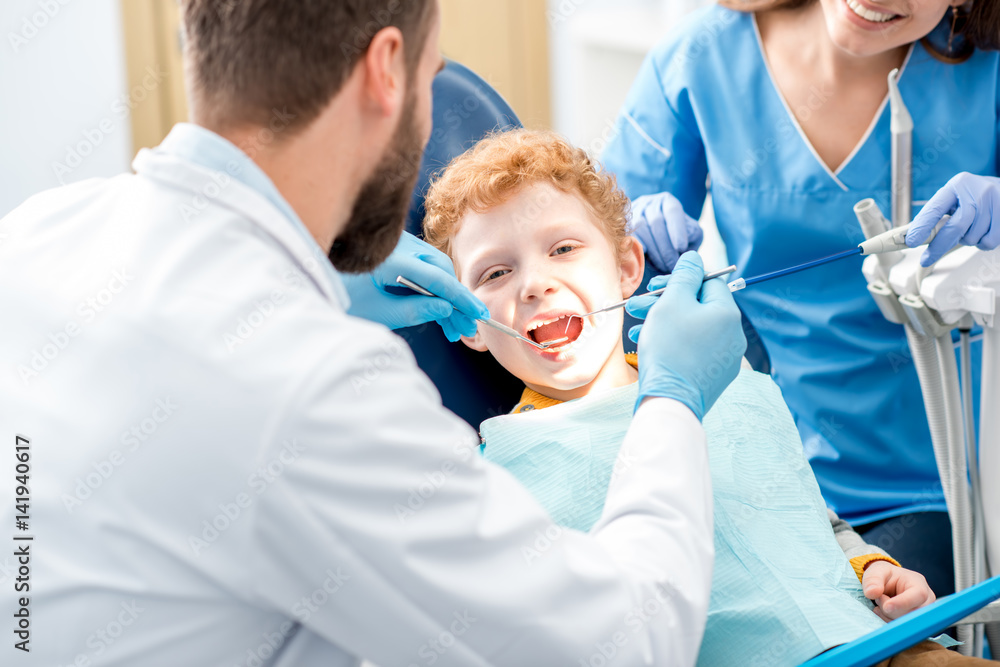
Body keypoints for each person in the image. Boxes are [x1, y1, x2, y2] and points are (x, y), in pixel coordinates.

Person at [0, 1, 750, 665]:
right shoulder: (313, 385)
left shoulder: (34, 232)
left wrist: (316, 279)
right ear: (388, 69)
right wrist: (674, 401)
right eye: (432, 76)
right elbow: (626, 646)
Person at [421, 128, 991, 666]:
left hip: (885, 649)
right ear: (467, 321)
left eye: (563, 248)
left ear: (627, 268)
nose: (534, 283)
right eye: (495, 273)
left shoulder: (725, 378)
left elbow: (806, 519)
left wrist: (874, 569)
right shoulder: (501, 477)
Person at [600, 0, 1000, 598]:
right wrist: (631, 240)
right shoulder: (702, 57)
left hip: (944, 485)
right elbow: (596, 261)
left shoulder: (986, 70)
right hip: (759, 475)